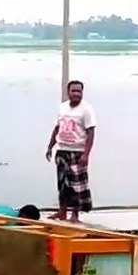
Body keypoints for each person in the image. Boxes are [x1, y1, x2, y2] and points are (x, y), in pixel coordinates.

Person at [44, 79, 97, 223]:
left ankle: (75, 215)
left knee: (77, 186)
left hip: (77, 151)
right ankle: (62, 212)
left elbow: (91, 132)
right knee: (63, 184)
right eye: (73, 91)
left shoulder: (86, 109)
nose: (76, 94)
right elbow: (57, 128)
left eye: (79, 91)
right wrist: (50, 146)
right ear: (68, 92)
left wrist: (86, 154)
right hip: (62, 150)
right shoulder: (62, 108)